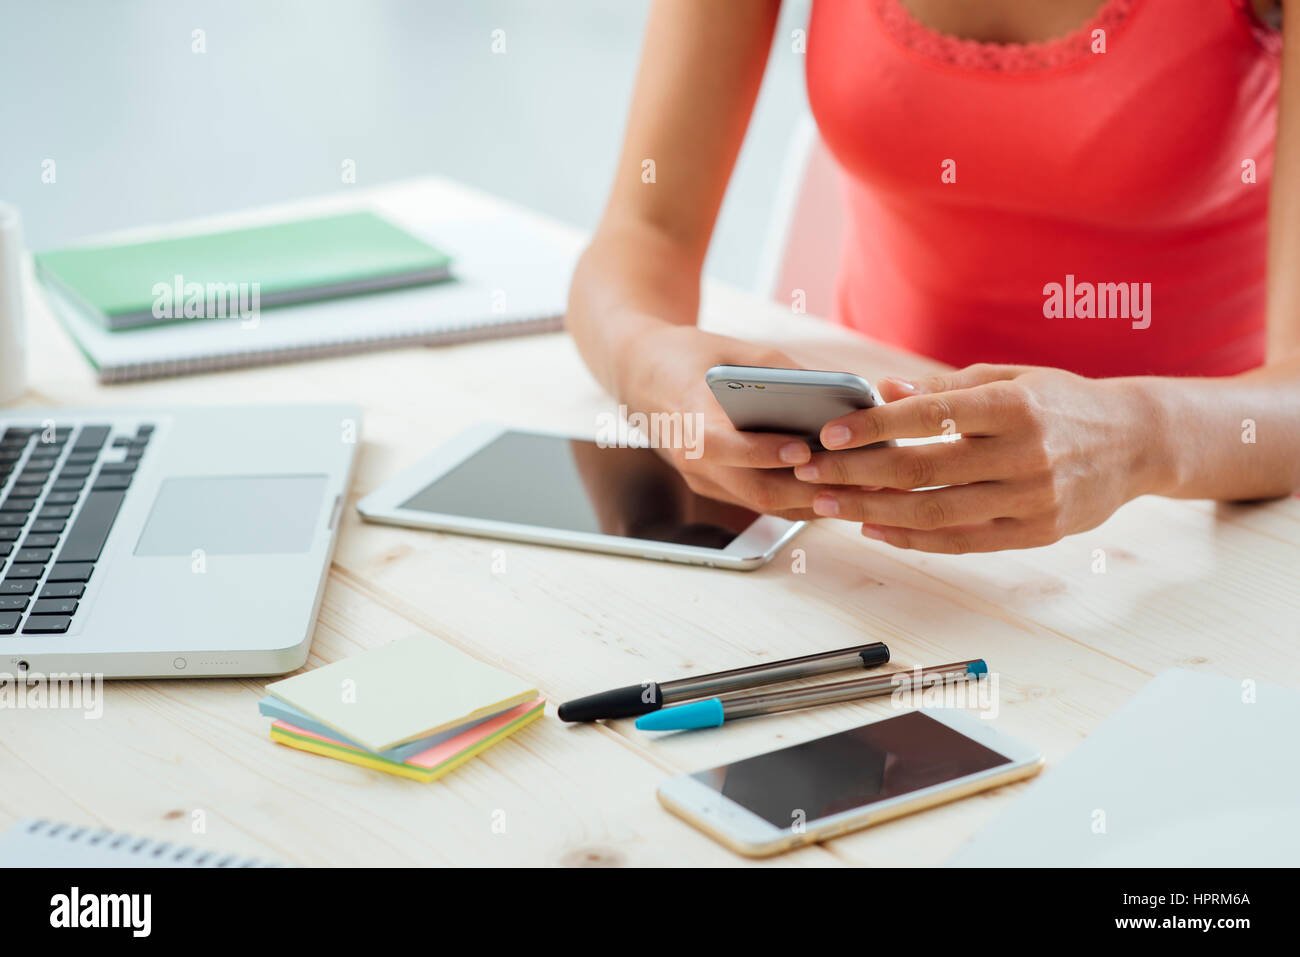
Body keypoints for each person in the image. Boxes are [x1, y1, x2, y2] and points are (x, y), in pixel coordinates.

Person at [564, 0, 1300, 554]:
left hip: (1201, 527)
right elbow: (642, 237)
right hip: (873, 524)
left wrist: (1141, 439)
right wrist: (648, 366)